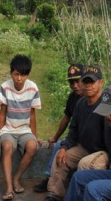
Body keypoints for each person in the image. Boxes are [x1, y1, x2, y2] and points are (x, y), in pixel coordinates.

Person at [42, 65, 108, 201]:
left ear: (101, 82)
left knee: (85, 164)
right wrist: (64, 148)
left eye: (92, 82)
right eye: (86, 81)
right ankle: (56, 193)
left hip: (103, 151)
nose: (88, 85)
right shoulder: (81, 104)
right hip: (84, 147)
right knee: (61, 156)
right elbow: (73, 130)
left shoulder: (106, 105)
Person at [0, 53, 41, 200]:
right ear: (11, 73)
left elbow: (32, 114)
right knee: (6, 146)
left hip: (25, 129)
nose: (19, 79)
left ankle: (16, 178)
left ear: (28, 75)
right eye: (16, 74)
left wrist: (35, 136)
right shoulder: (5, 87)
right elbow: (2, 113)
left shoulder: (33, 88)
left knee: (32, 147)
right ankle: (8, 188)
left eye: (23, 75)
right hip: (8, 129)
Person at [34, 62, 83, 193]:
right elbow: (66, 118)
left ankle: (59, 185)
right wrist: (55, 137)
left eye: (78, 81)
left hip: (86, 143)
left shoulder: (90, 99)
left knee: (64, 149)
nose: (75, 86)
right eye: (72, 83)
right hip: (75, 138)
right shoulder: (73, 97)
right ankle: (50, 178)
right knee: (58, 146)